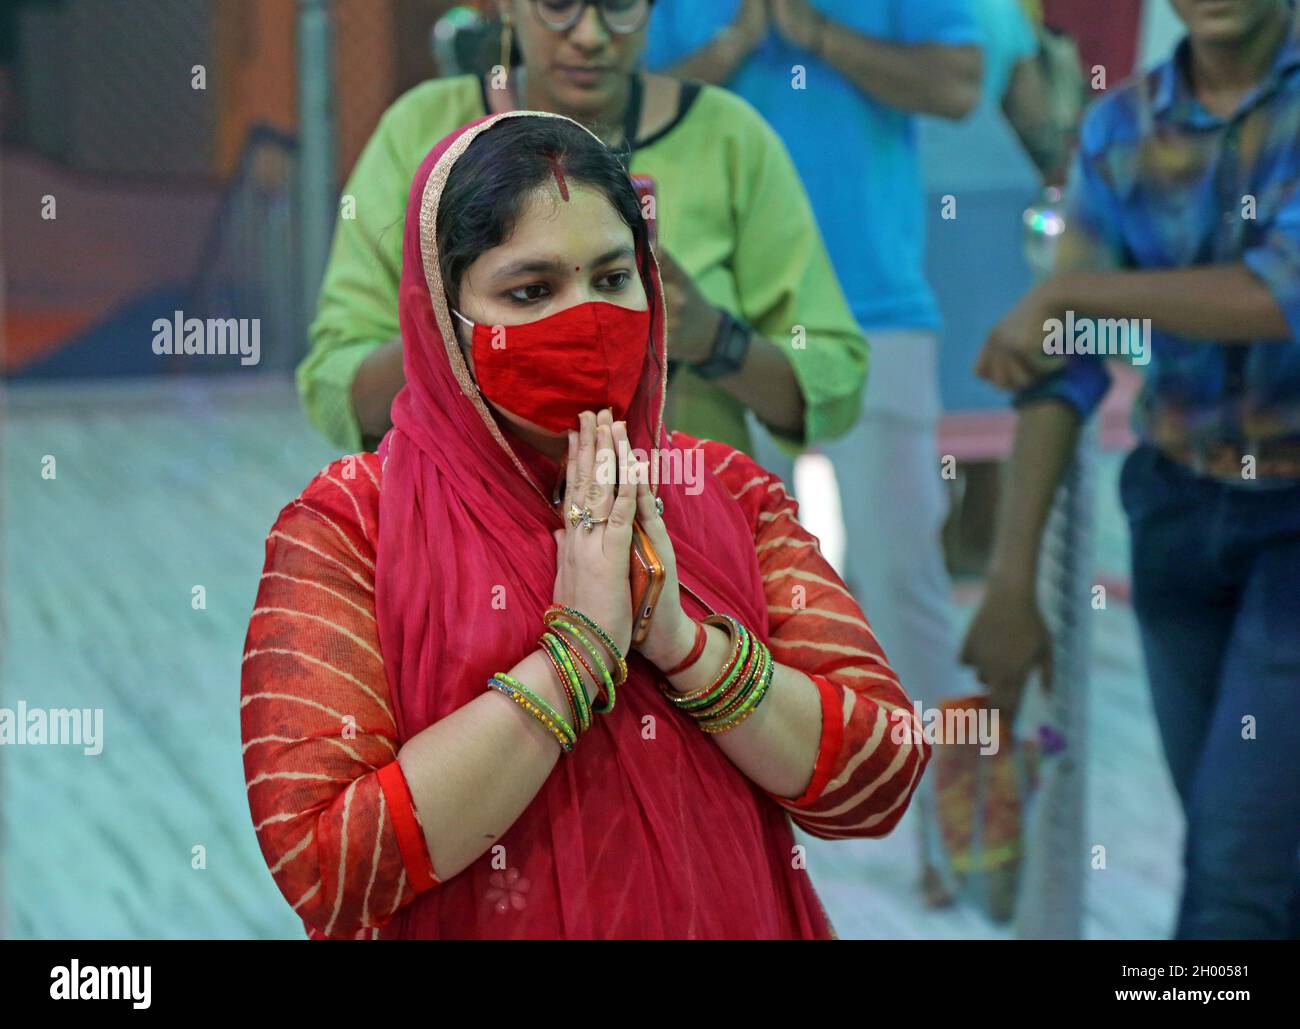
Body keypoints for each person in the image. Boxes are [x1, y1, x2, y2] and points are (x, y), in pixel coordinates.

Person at [244, 112, 929, 939]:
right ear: (443, 317)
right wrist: (575, 658)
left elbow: (881, 772)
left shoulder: (726, 492)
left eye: (612, 277)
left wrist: (682, 641)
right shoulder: (351, 528)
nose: (588, 316)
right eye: (530, 291)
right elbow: (325, 864)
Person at [961, 0, 1300, 939]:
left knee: (1235, 870)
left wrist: (1071, 287)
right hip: (1179, 512)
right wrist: (1010, 577)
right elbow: (1062, 361)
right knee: (1246, 846)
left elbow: (1286, 290)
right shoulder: (1122, 127)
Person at [645, 0, 984, 908]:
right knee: (725, 596)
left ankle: (956, 830)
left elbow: (960, 85)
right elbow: (613, 96)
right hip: (722, 330)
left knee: (907, 582)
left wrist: (819, 36)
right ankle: (739, 856)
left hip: (877, 311)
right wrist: (736, 46)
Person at [299, 0, 866, 458]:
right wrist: (453, 332)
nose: (590, 34)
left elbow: (832, 383)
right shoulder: (420, 129)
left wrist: (712, 338)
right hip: (471, 527)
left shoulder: (730, 138)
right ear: (505, 7)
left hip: (681, 531)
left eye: (618, 5)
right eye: (558, 4)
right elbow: (335, 388)